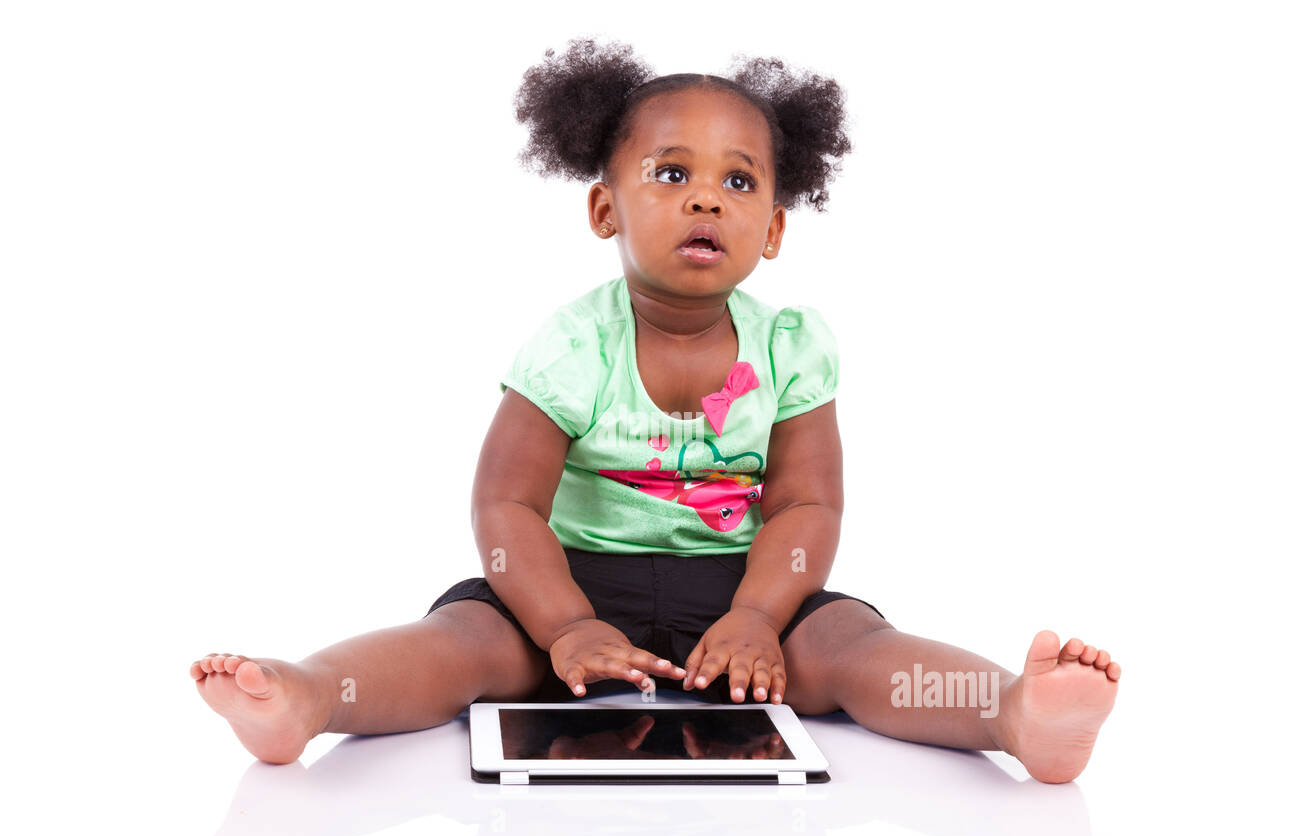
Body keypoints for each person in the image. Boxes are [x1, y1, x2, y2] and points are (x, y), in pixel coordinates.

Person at [190, 37, 1120, 784]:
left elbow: (806, 505)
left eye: (739, 182)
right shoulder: (573, 346)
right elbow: (506, 506)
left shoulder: (791, 348)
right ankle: (314, 694)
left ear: (774, 227)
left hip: (743, 586)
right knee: (466, 643)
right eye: (671, 174)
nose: (707, 196)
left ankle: (1012, 713)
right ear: (606, 210)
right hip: (569, 583)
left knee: (848, 646)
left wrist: (760, 615)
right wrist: (562, 625)